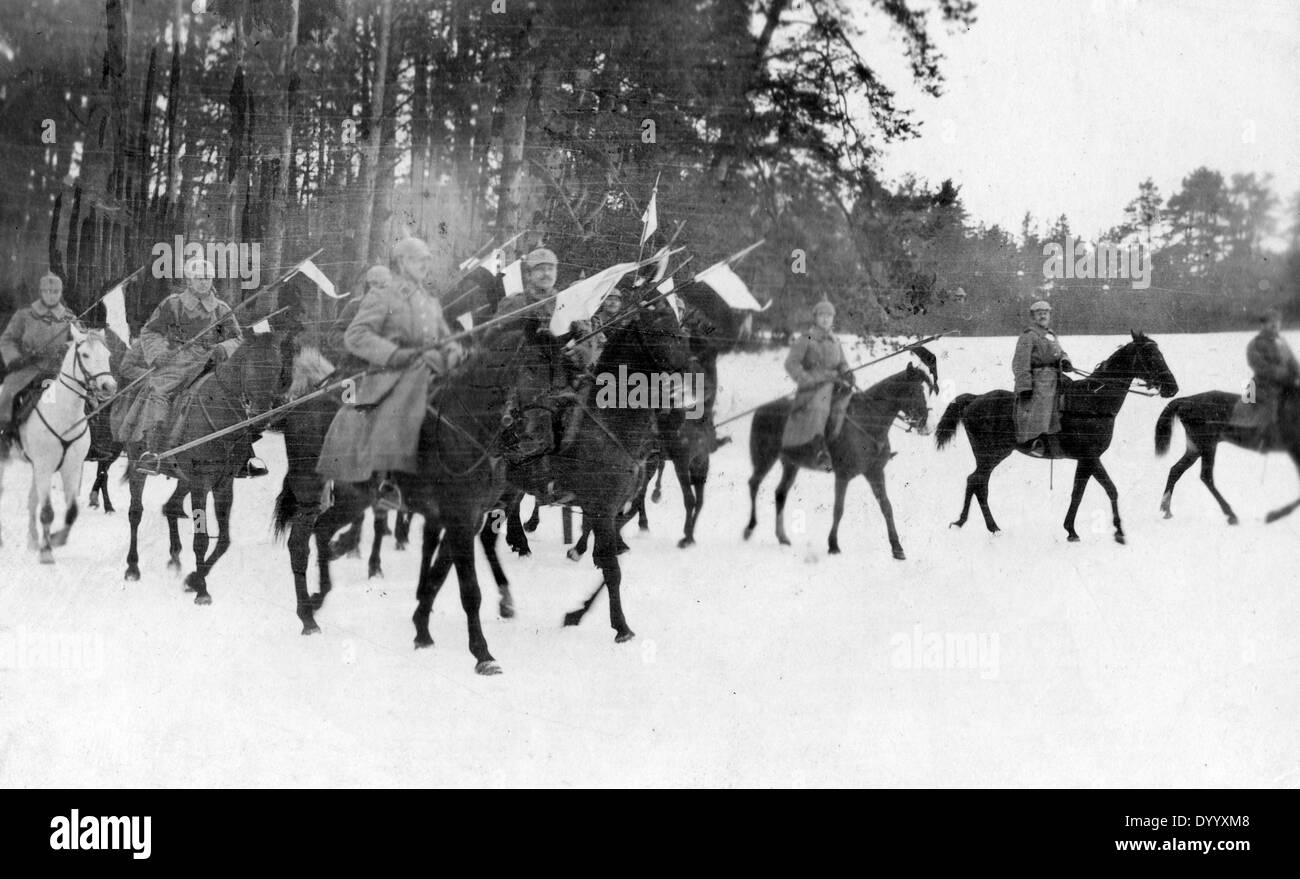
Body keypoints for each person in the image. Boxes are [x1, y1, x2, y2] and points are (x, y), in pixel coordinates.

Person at [315, 236, 462, 511]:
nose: (425, 264)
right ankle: (389, 480)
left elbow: (445, 337)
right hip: (389, 375)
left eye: (428, 260)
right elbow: (356, 335)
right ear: (402, 262)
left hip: (430, 374)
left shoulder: (430, 302)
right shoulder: (382, 295)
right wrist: (395, 354)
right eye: (419, 259)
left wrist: (454, 353)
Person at [127, 257, 265, 476]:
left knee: (232, 395)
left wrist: (223, 349)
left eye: (207, 277)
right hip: (178, 362)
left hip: (211, 361)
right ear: (189, 280)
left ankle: (245, 454)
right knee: (160, 391)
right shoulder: (173, 304)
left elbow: (237, 337)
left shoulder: (221, 309)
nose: (203, 282)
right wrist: (158, 353)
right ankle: (153, 450)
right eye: (199, 278)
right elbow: (150, 331)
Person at [493, 247, 586, 503]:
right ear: (529, 274)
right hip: (523, 372)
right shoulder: (515, 302)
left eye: (550, 268)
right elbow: (498, 339)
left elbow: (586, 348)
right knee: (534, 412)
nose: (546, 273)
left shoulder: (568, 303)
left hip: (560, 375)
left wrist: (578, 350)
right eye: (540, 269)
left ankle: (574, 476)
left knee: (584, 413)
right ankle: (530, 475)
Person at [0, 272, 76, 454]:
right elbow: (7, 339)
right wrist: (17, 358)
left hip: (56, 370)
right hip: (28, 368)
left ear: (61, 293)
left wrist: (65, 348)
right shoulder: (24, 315)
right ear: (41, 292)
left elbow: (79, 341)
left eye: (56, 291)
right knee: (9, 389)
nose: (52, 295)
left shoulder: (68, 318)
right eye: (48, 291)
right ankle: (5, 432)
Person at [781, 297, 851, 471]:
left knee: (850, 402)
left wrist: (848, 372)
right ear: (815, 317)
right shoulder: (807, 338)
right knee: (821, 406)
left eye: (829, 315)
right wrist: (806, 379)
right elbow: (791, 363)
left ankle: (842, 445)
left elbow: (842, 362)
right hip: (813, 387)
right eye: (822, 315)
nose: (826, 319)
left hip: (835, 382)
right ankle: (818, 448)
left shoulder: (835, 340)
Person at [1012, 299, 1072, 457]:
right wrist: (1024, 387)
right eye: (1039, 313)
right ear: (1033, 317)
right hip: (1038, 380)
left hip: (1056, 377)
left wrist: (1065, 361)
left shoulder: (1051, 335)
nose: (1043, 316)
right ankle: (1036, 441)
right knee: (1043, 403)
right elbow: (1020, 363)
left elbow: (1060, 352)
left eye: (1045, 313)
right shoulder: (1029, 336)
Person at [1235, 307, 1300, 448]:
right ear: (1263, 325)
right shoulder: (1256, 344)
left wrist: (1296, 374)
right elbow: (1260, 367)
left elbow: (1292, 362)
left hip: (1285, 383)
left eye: (1277, 322)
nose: (1275, 325)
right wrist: (1283, 374)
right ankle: (1263, 438)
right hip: (1262, 385)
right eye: (1271, 322)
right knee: (1273, 406)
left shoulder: (1281, 342)